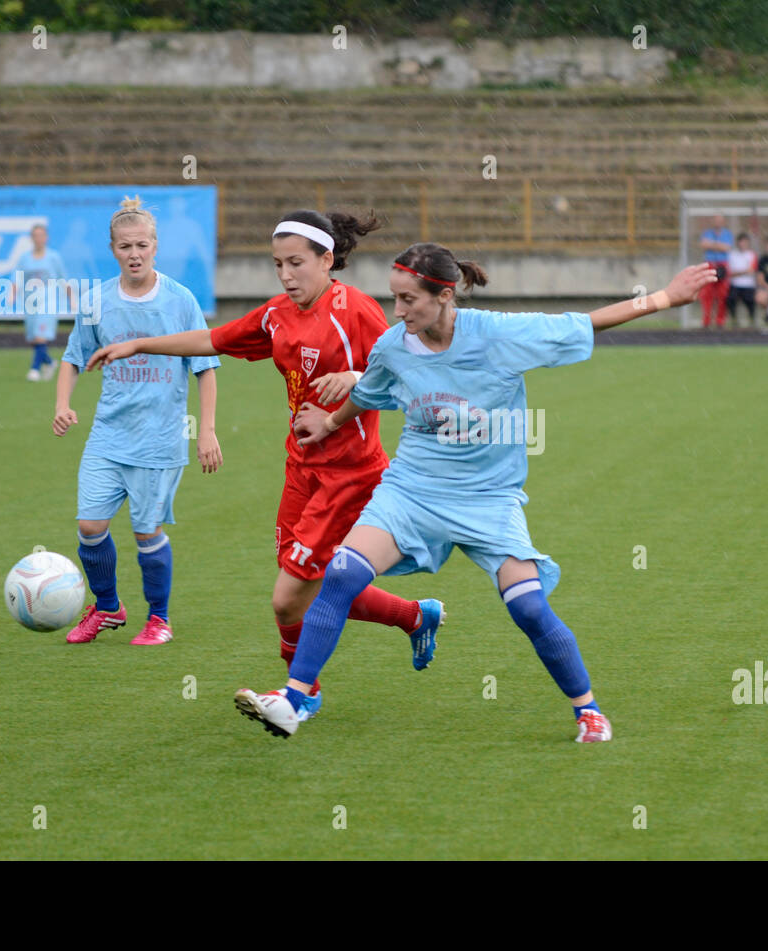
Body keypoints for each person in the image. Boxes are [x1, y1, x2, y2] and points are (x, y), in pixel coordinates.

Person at [232, 243, 716, 743]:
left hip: (488, 499)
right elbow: (369, 392)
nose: (397, 312)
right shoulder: (395, 346)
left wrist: (666, 298)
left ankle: (588, 710)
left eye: (408, 300)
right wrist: (331, 422)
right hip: (413, 492)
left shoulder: (498, 335)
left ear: (444, 295)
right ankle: (292, 701)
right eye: (394, 299)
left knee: (528, 608)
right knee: (341, 575)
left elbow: (585, 322)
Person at [84, 210, 445, 720]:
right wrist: (140, 344)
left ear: (327, 260)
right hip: (300, 470)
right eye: (278, 264)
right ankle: (414, 615)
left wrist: (352, 380)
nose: (286, 275)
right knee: (310, 587)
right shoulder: (278, 314)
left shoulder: (356, 311)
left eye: (296, 263)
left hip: (350, 476)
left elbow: (405, 374)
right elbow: (214, 340)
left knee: (286, 599)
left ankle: (301, 695)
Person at [53, 197, 223, 646]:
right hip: (108, 433)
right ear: (113, 249)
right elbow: (72, 358)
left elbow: (205, 368)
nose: (135, 253)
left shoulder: (180, 299)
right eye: (126, 246)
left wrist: (206, 429)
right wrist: (62, 404)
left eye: (142, 245)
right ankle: (108, 607)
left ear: (155, 246)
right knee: (89, 527)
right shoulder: (96, 301)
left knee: (147, 532)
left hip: (160, 439)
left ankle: (159, 619)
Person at [15, 224, 70, 381]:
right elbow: (17, 277)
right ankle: (49, 362)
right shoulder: (24, 258)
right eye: (35, 235)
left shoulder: (53, 257)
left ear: (46, 238)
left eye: (41, 235)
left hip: (48, 301)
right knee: (33, 339)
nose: (38, 239)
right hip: (30, 301)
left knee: (41, 336)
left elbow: (62, 278)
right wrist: (12, 294)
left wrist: (70, 298)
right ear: (31, 238)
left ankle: (34, 370)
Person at [698, 214, 732, 328]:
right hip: (709, 265)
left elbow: (726, 248)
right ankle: (706, 322)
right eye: (716, 220)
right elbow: (703, 245)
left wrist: (711, 244)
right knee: (707, 294)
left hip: (722, 266)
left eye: (720, 220)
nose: (718, 222)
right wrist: (718, 245)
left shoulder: (727, 234)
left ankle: (720, 321)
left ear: (723, 221)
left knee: (722, 295)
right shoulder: (707, 233)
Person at [726, 233, 757, 329]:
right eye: (741, 242)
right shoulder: (732, 255)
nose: (743, 244)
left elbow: (752, 270)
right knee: (731, 299)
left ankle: (752, 320)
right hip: (735, 284)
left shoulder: (752, 255)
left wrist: (738, 272)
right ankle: (734, 319)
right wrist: (744, 271)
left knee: (750, 301)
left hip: (748, 285)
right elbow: (729, 272)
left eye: (745, 242)